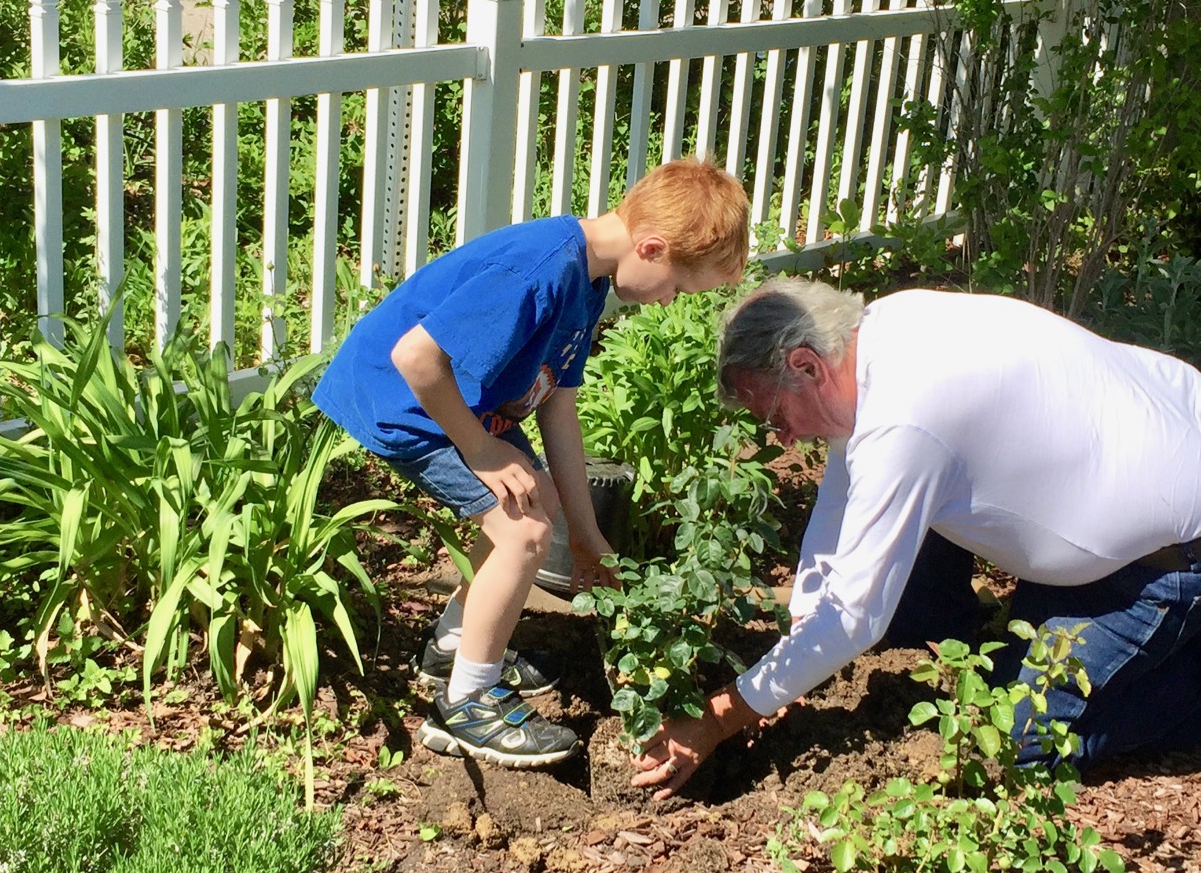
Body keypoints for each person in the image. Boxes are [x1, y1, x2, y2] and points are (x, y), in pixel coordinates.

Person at [631, 277, 1201, 798]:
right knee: (898, 591)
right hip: (1144, 445)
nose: (780, 438)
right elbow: (841, 491)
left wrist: (720, 717)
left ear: (806, 365)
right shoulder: (875, 335)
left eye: (776, 413)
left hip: (1156, 564)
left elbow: (854, 618)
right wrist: (800, 631)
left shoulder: (905, 420)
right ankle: (971, 636)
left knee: (1012, 749)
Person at [314, 158, 750, 768]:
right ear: (652, 248)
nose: (667, 302)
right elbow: (415, 358)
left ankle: (455, 646)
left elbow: (558, 409)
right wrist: (482, 448)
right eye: (678, 287)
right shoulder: (542, 268)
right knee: (523, 530)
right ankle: (465, 703)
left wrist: (590, 537)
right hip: (405, 400)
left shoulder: (588, 283)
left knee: (539, 505)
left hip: (458, 402)